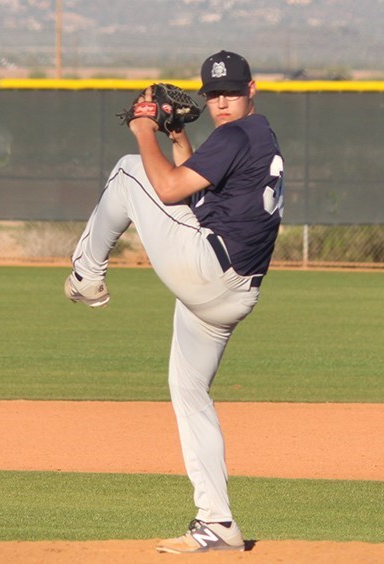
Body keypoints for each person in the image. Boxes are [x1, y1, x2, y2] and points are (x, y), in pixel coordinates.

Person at [64, 50, 283, 553]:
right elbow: (197, 195)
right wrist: (178, 138)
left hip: (208, 270)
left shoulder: (233, 136)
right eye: (213, 94)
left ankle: (86, 275)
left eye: (231, 92)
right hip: (234, 293)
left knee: (127, 171)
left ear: (251, 90)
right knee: (190, 393)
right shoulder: (259, 136)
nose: (222, 102)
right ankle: (218, 522)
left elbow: (165, 189)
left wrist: (144, 128)